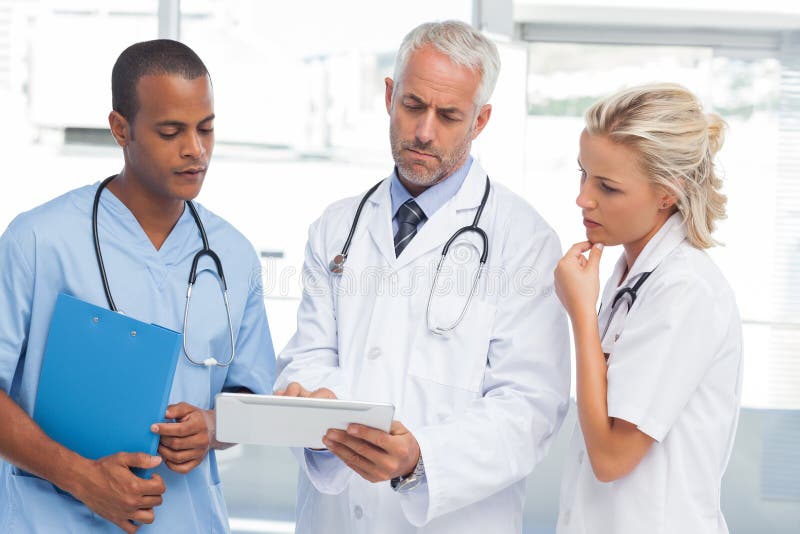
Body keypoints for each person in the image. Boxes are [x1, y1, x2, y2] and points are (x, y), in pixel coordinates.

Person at [274, 20, 569, 533]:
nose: (424, 132)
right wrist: (312, 401)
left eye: (449, 115)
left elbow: (530, 408)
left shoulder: (525, 242)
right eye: (413, 106)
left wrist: (419, 460)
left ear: (481, 121)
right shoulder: (337, 227)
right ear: (389, 96)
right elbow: (309, 356)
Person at [0, 40, 275, 533]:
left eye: (206, 128)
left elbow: (251, 400)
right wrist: (80, 477)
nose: (196, 149)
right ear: (120, 128)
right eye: (171, 131)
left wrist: (211, 428)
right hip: (51, 519)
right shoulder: (38, 241)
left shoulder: (233, 255)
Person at [553, 83, 743, 533]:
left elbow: (611, 458)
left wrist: (580, 314)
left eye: (608, 187)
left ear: (667, 194)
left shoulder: (686, 291)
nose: (584, 198)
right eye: (583, 174)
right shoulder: (630, 276)